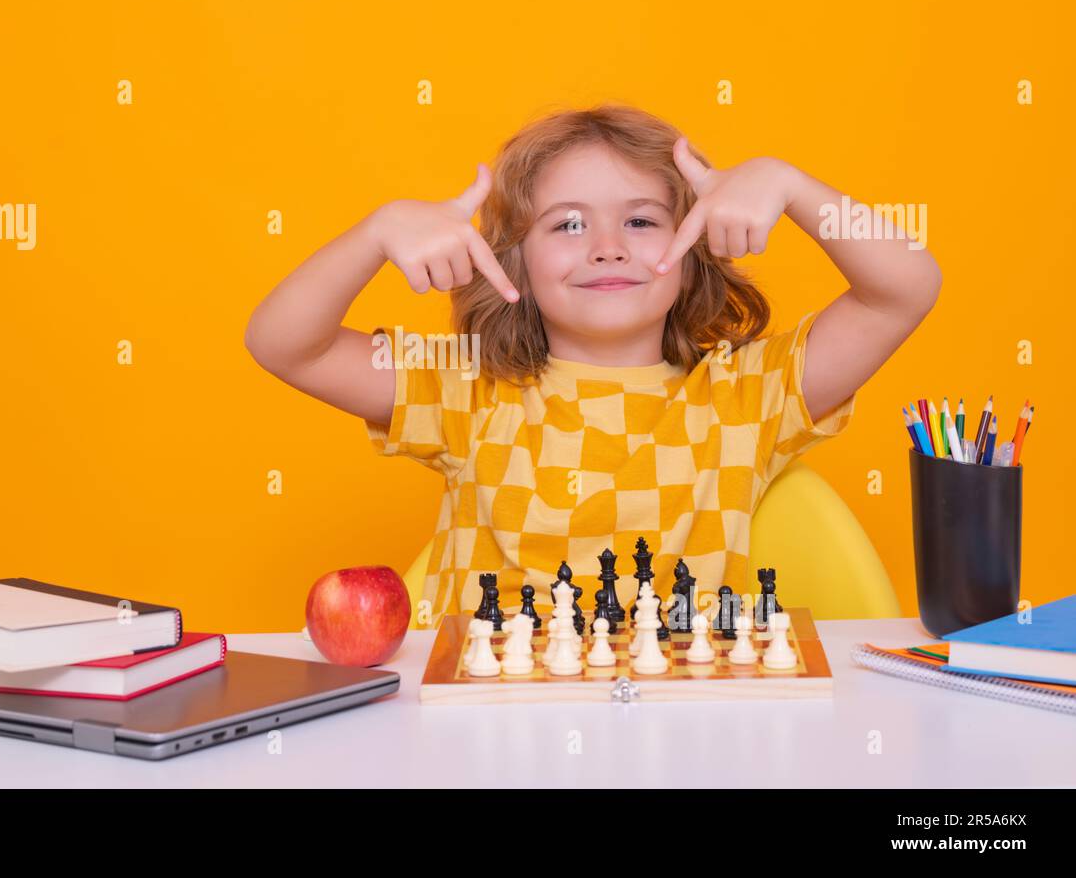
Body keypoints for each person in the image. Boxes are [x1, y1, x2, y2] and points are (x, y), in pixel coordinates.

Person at [245, 103, 941, 624]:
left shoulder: (745, 397)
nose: (607, 247)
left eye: (640, 220)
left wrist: (788, 186)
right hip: (488, 738)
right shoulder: (462, 389)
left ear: (693, 246)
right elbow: (283, 342)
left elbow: (903, 288)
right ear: (510, 260)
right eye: (569, 224)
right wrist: (377, 232)